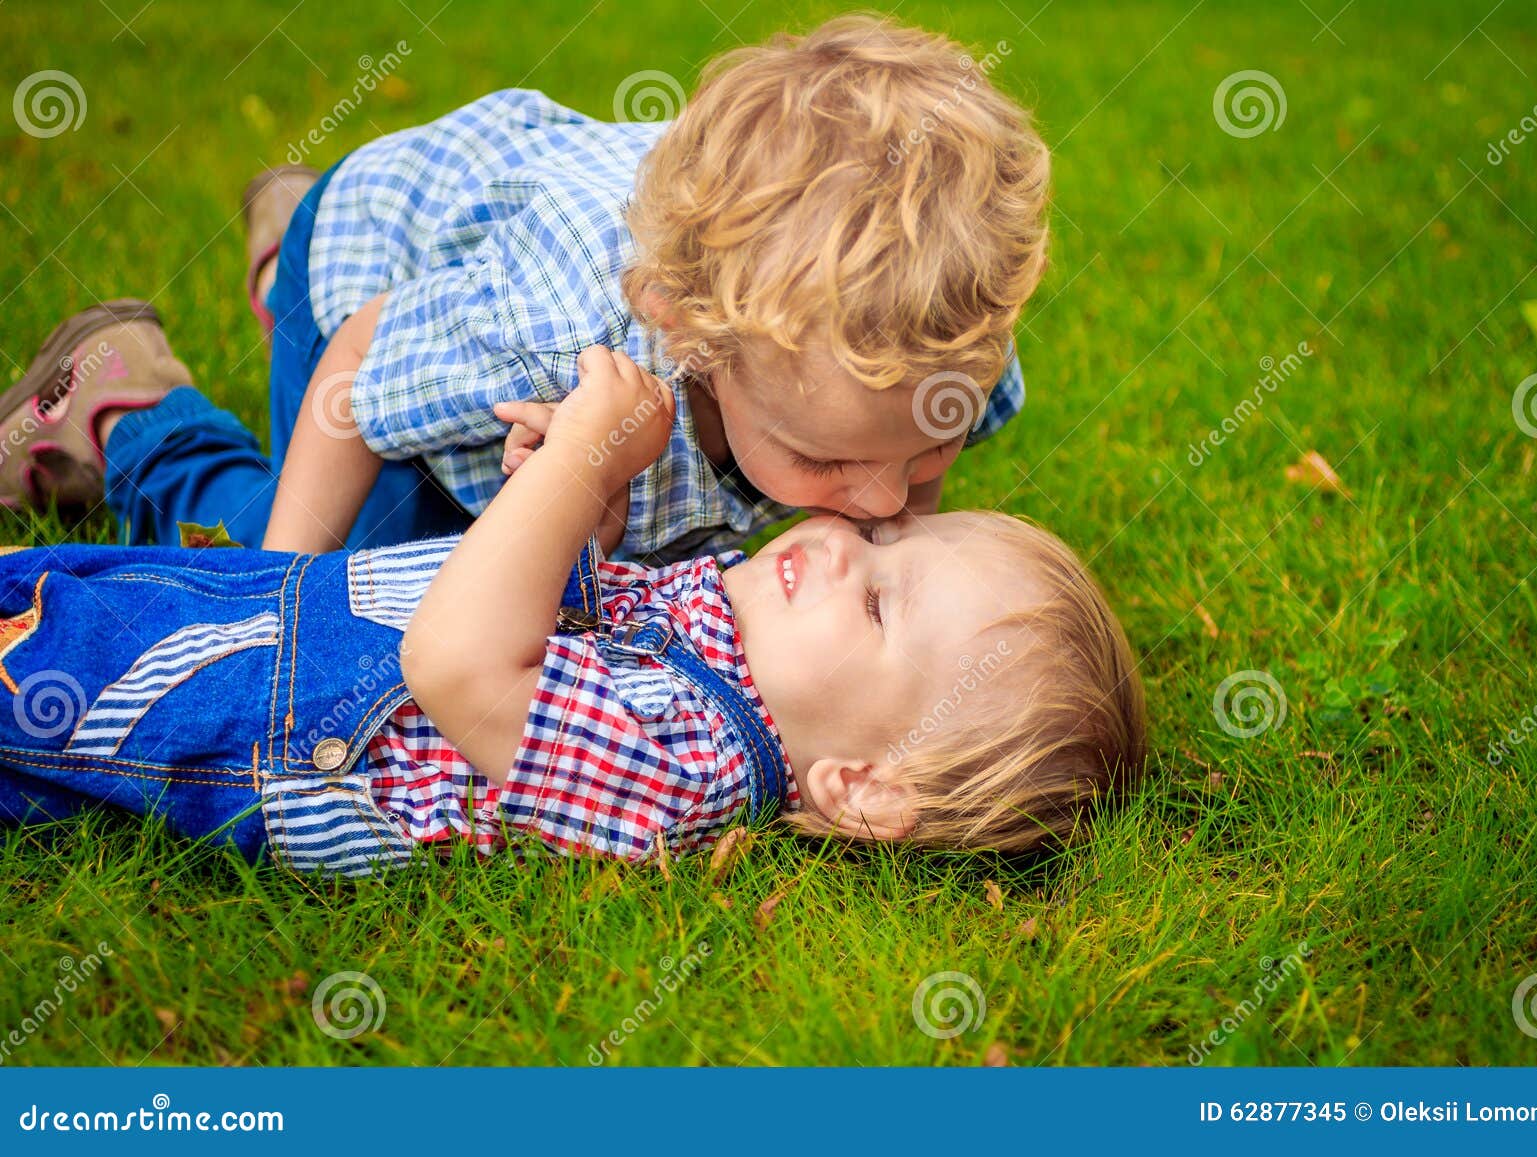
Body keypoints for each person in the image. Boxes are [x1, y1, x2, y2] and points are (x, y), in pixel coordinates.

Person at [0, 348, 1145, 874]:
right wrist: (571, 507)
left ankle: (131, 411)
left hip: (226, 726)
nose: (847, 550)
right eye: (888, 540)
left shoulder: (678, 779)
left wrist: (578, 467)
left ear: (863, 786)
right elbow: (556, 614)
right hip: (279, 612)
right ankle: (131, 406)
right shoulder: (738, 627)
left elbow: (460, 667)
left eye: (884, 607)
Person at [0, 15, 1050, 563]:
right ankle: (130, 409)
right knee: (374, 571)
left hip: (470, 231)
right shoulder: (550, 335)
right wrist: (282, 607)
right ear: (687, 332)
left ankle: (286, 243)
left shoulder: (923, 334)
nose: (880, 501)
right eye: (827, 458)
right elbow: (365, 357)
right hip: (373, 284)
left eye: (922, 453)